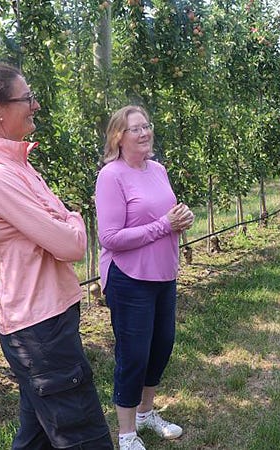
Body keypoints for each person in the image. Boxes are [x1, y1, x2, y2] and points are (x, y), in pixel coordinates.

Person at [0, 62, 113, 449]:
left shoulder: (18, 166)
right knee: (84, 436)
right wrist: (74, 216)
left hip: (47, 320)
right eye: (27, 98)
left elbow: (63, 235)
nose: (35, 105)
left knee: (36, 437)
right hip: (40, 330)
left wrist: (65, 222)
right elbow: (72, 244)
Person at [95, 105, 194, 450]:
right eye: (135, 128)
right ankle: (125, 434)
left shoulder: (158, 170)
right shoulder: (112, 176)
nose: (144, 133)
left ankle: (146, 413)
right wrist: (164, 226)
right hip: (129, 278)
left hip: (163, 274)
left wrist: (183, 217)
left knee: (161, 348)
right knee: (133, 354)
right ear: (118, 137)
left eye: (147, 126)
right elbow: (110, 238)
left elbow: (167, 213)